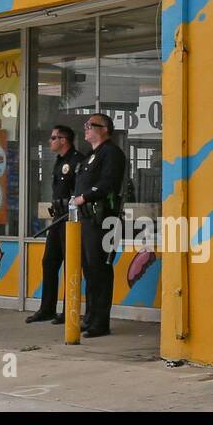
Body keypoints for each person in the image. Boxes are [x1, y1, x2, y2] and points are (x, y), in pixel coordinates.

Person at [71, 114, 127, 337]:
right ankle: (91, 315)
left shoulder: (111, 153)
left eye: (90, 125)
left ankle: (100, 322)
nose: (85, 129)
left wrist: (85, 197)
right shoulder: (91, 156)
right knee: (88, 269)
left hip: (102, 219)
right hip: (86, 220)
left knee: (100, 269)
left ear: (104, 129)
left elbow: (107, 183)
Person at [26, 124, 84, 325]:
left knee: (71, 264)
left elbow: (79, 191)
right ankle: (47, 308)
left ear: (63, 140)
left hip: (71, 219)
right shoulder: (60, 162)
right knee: (49, 261)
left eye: (53, 138)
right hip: (57, 219)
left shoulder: (77, 161)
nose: (50, 141)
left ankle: (70, 309)